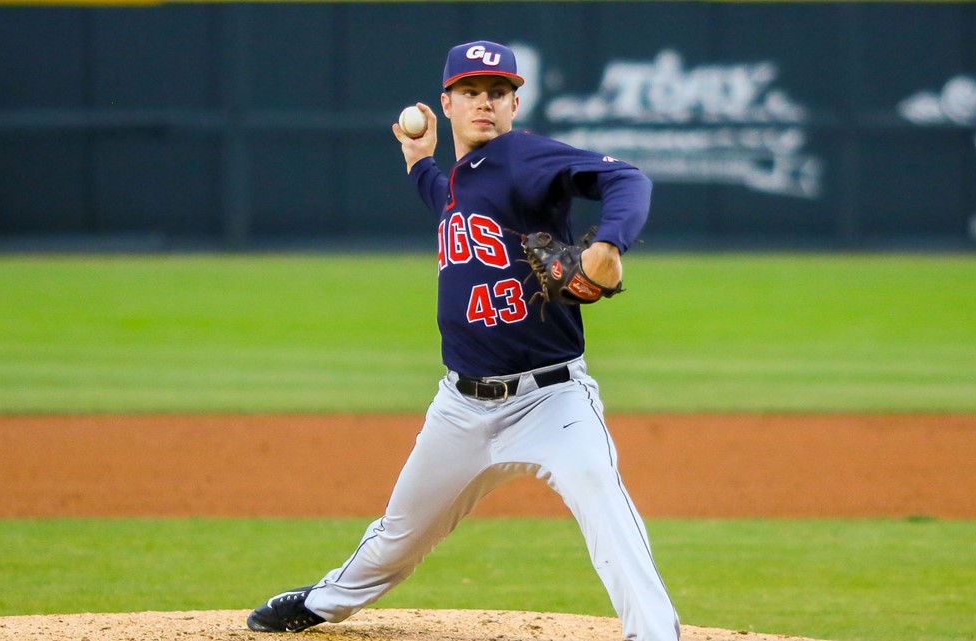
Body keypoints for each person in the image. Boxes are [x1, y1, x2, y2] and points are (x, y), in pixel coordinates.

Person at [245, 40, 681, 641]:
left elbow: (626, 178)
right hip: (461, 407)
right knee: (399, 534)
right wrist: (418, 160)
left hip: (551, 398)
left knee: (604, 502)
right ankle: (324, 603)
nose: (485, 103)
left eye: (498, 93)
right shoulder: (458, 180)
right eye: (472, 93)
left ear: (514, 104)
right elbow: (444, 198)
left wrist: (608, 244)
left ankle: (656, 633)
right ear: (446, 103)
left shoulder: (525, 156)